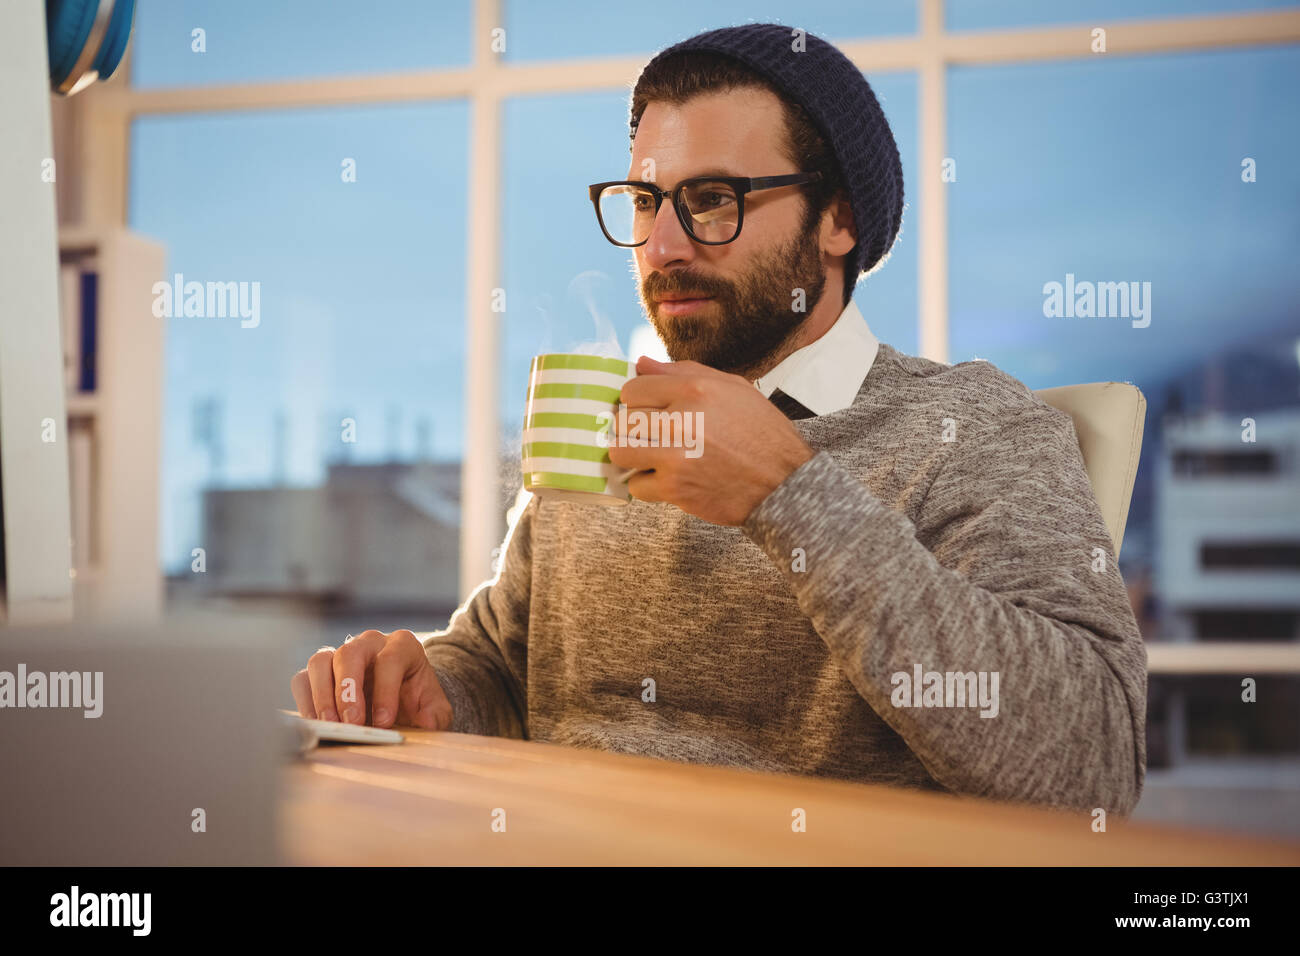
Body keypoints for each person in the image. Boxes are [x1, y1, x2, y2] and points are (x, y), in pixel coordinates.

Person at [291, 23, 1147, 815]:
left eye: (712, 198)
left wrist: (792, 494)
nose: (661, 247)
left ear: (838, 219)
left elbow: (1096, 759)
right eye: (643, 201)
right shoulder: (608, 422)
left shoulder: (971, 426)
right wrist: (430, 688)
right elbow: (500, 665)